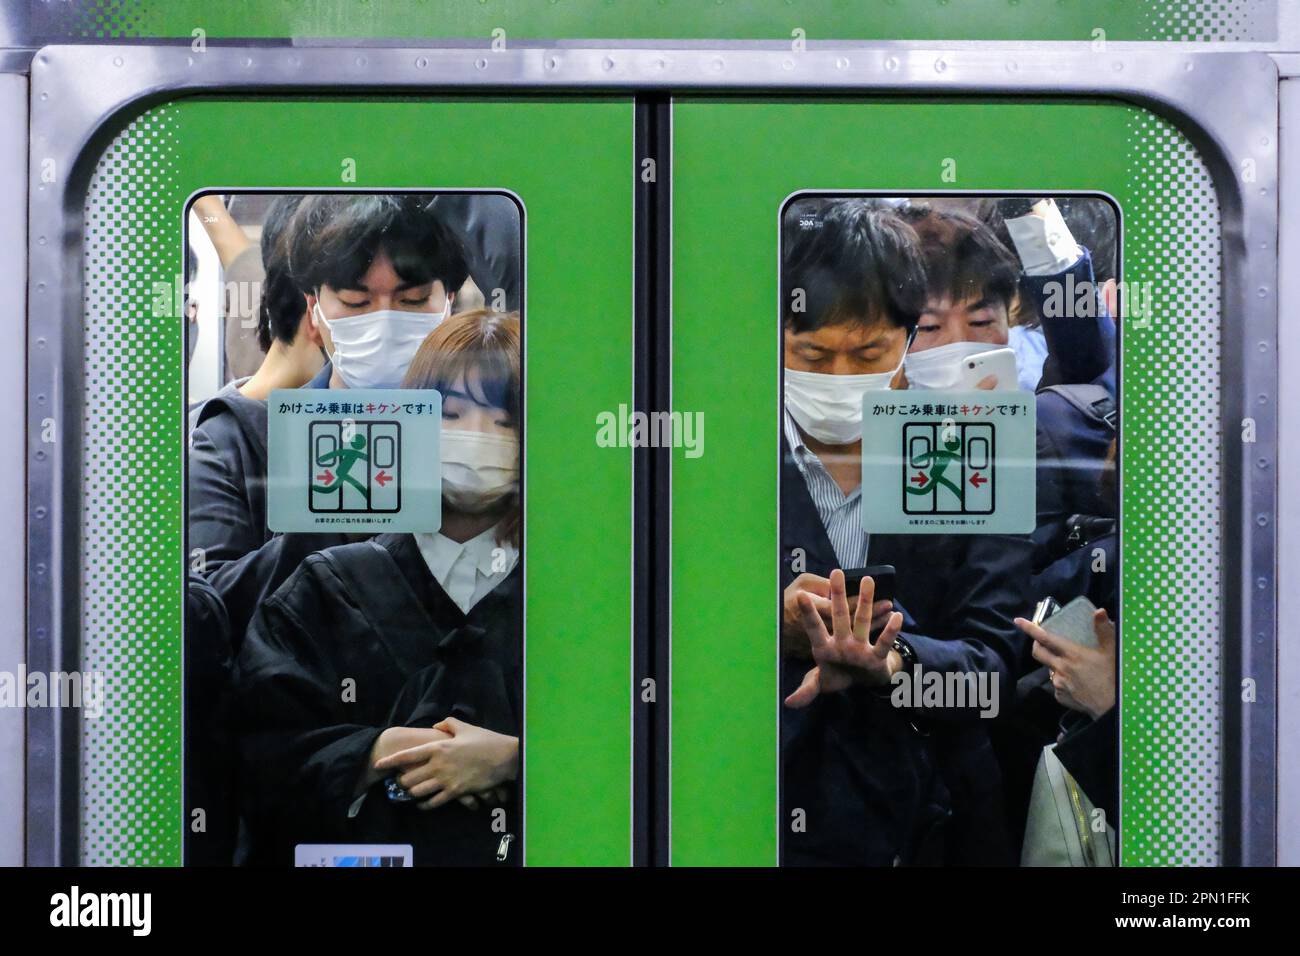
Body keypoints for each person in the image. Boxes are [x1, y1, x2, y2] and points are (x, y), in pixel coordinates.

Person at [779, 198, 1032, 865]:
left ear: (908, 341)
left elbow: (994, 671)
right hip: (763, 808)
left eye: (867, 353)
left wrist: (892, 664)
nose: (838, 378)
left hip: (933, 824)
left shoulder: (963, 447)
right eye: (812, 354)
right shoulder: (720, 455)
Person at [234, 309, 523, 866]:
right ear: (411, 422)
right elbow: (257, 755)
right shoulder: (328, 585)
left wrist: (514, 761)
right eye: (452, 413)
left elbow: (634, 752)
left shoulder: (579, 594)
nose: (475, 438)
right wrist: (373, 752)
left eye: (503, 421)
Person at [189, 193, 470, 642]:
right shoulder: (235, 443)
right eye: (357, 304)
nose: (385, 324)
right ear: (314, 313)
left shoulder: (487, 437)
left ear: (448, 305)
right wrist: (339, 515)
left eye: (413, 300)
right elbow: (205, 616)